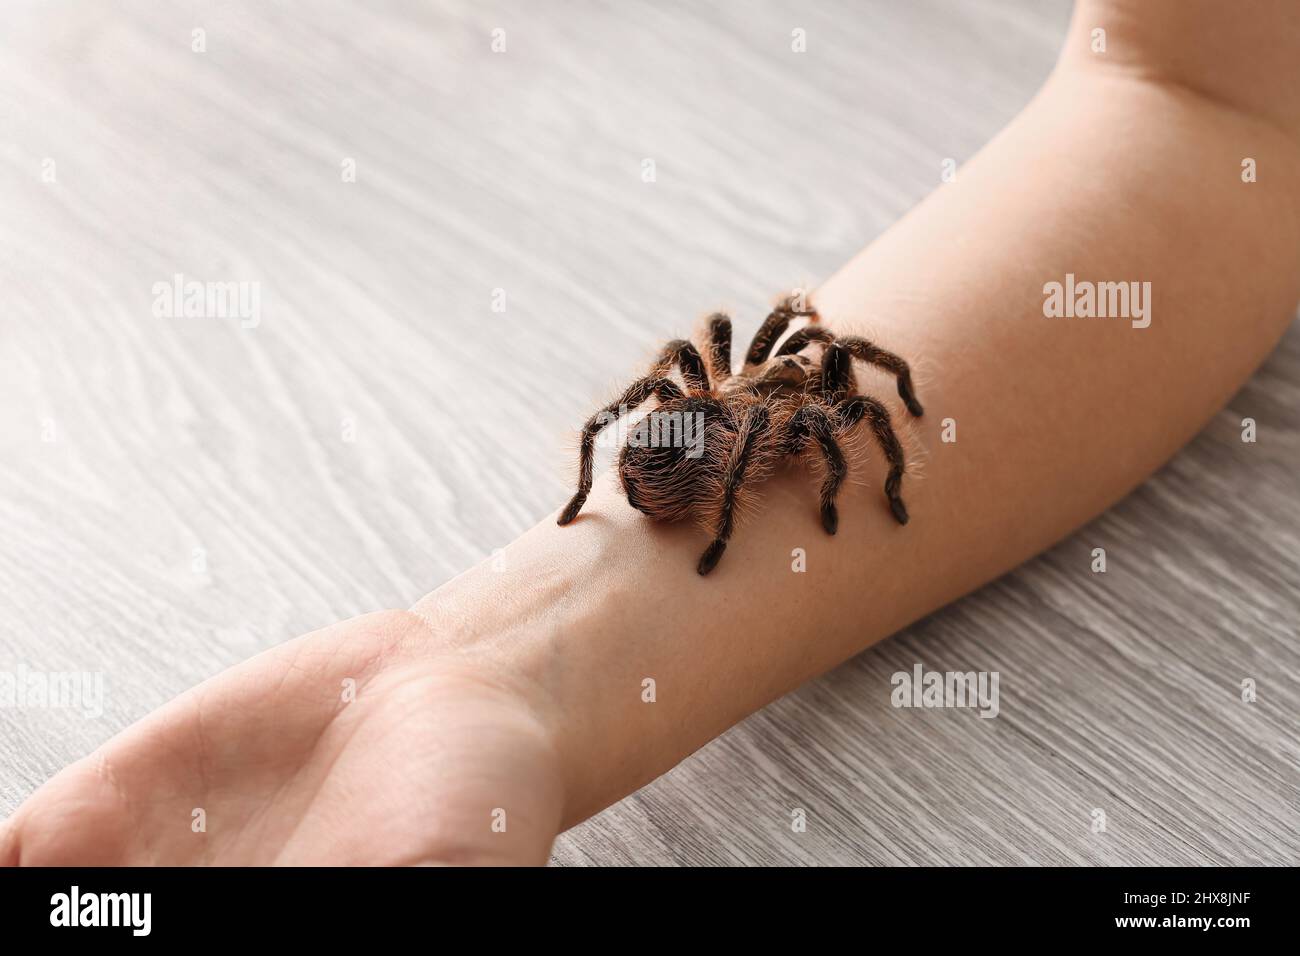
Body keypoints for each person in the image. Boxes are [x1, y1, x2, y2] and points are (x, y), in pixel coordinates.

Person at [4, 0, 1298, 865]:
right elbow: (1206, 93)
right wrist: (503, 661)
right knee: (805, 378)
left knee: (790, 372)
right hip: (682, 461)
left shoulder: (737, 395)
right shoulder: (767, 409)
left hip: (678, 451)